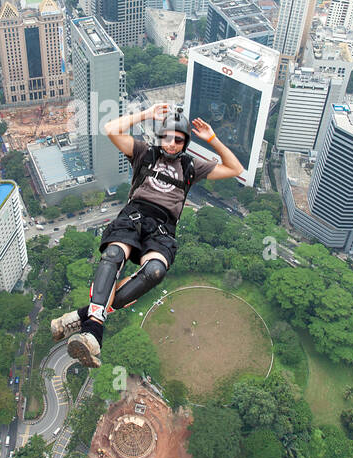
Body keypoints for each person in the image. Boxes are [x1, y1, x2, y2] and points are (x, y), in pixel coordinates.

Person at [50, 103, 244, 367]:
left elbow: (235, 169)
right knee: (114, 255)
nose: (172, 144)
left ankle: (81, 317)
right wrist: (146, 114)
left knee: (154, 272)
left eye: (178, 140)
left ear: (185, 142)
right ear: (160, 137)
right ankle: (93, 331)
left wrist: (212, 139)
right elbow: (110, 129)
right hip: (135, 215)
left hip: (163, 228)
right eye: (167, 137)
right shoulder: (145, 153)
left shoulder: (191, 167)